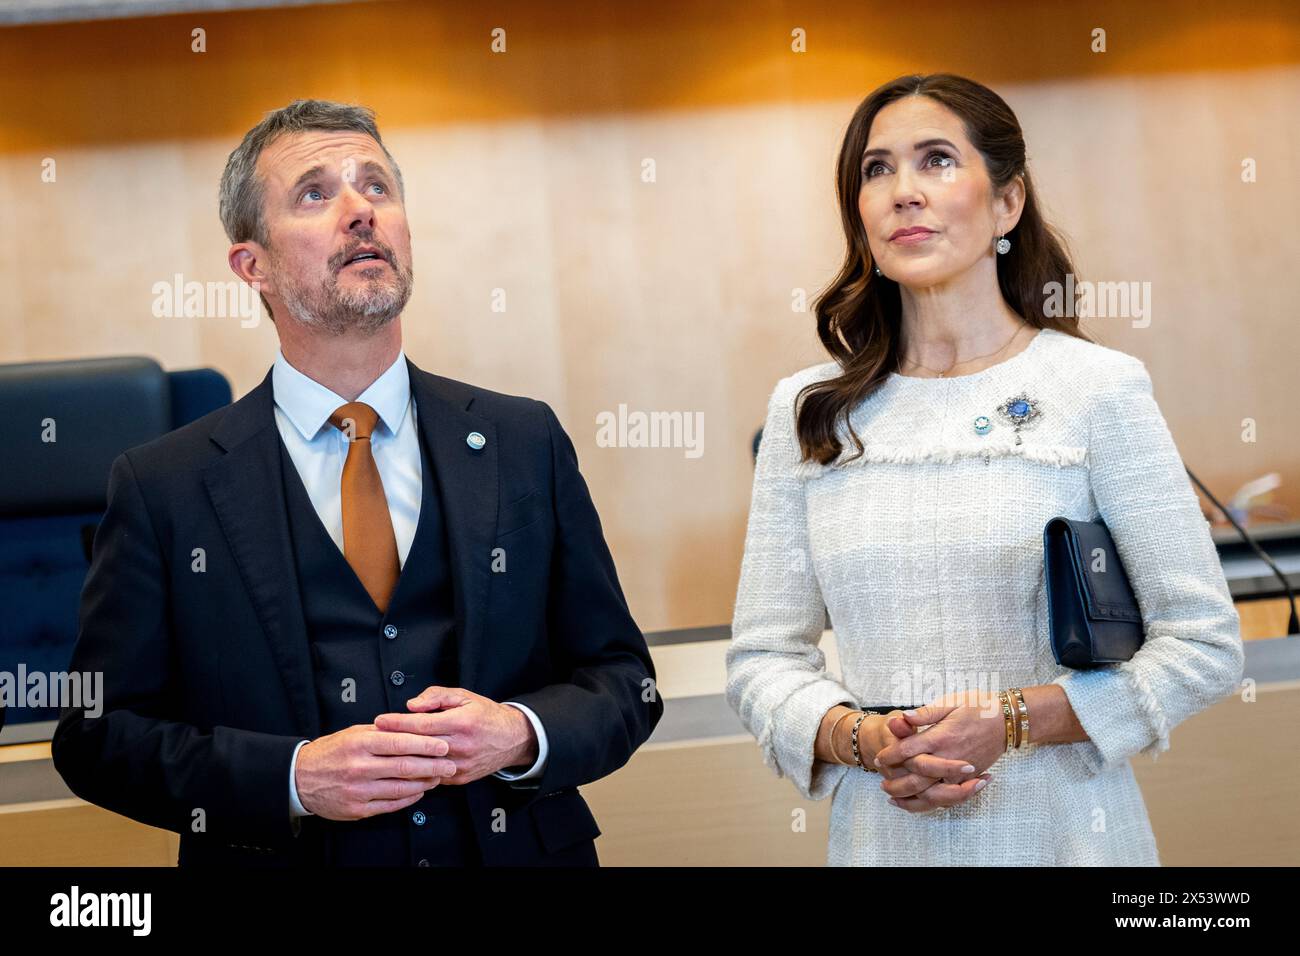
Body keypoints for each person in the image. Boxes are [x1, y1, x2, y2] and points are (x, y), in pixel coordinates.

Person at [52, 99, 662, 867]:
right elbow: (95, 732)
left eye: (377, 187)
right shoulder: (164, 486)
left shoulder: (522, 440)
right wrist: (291, 779)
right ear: (254, 266)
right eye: (315, 194)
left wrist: (521, 733)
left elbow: (623, 680)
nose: (360, 212)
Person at [726, 73, 1243, 866]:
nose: (904, 192)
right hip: (881, 833)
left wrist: (1012, 721)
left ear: (1007, 203)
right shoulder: (811, 408)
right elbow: (764, 658)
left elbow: (1202, 644)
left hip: (1066, 832)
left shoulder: (1096, 388)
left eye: (936, 161)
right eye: (877, 170)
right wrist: (862, 738)